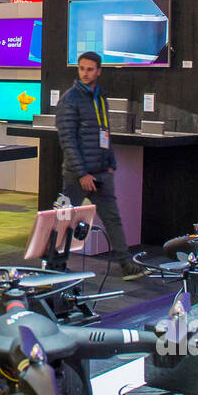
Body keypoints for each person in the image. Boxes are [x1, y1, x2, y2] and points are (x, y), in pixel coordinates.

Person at [56, 51, 139, 281]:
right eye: (81, 68)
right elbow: (68, 140)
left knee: (112, 219)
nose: (84, 73)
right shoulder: (70, 99)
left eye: (89, 69)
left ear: (98, 71)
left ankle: (126, 264)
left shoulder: (100, 96)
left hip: (102, 172)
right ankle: (55, 266)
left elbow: (105, 131)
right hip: (77, 175)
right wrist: (82, 173)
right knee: (63, 219)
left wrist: (110, 162)